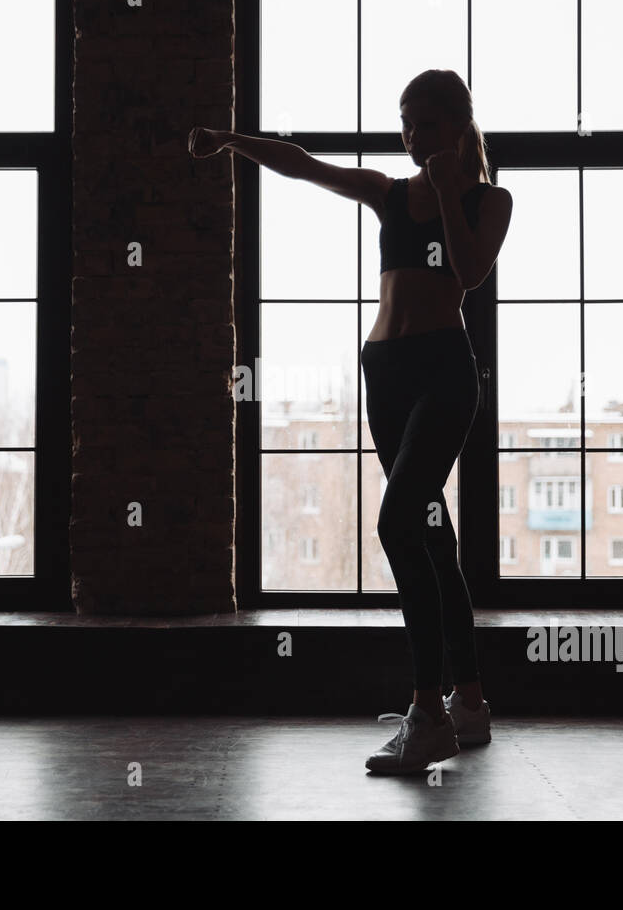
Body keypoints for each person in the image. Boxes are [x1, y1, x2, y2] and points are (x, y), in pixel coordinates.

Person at [189, 69, 514, 774]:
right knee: (433, 536)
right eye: (405, 123)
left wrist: (453, 187)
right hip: (385, 374)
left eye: (426, 123)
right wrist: (229, 141)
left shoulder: (490, 200)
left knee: (399, 522)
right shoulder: (387, 193)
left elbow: (469, 272)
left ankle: (429, 715)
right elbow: (304, 166)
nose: (412, 136)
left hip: (444, 373)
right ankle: (473, 703)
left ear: (458, 127)